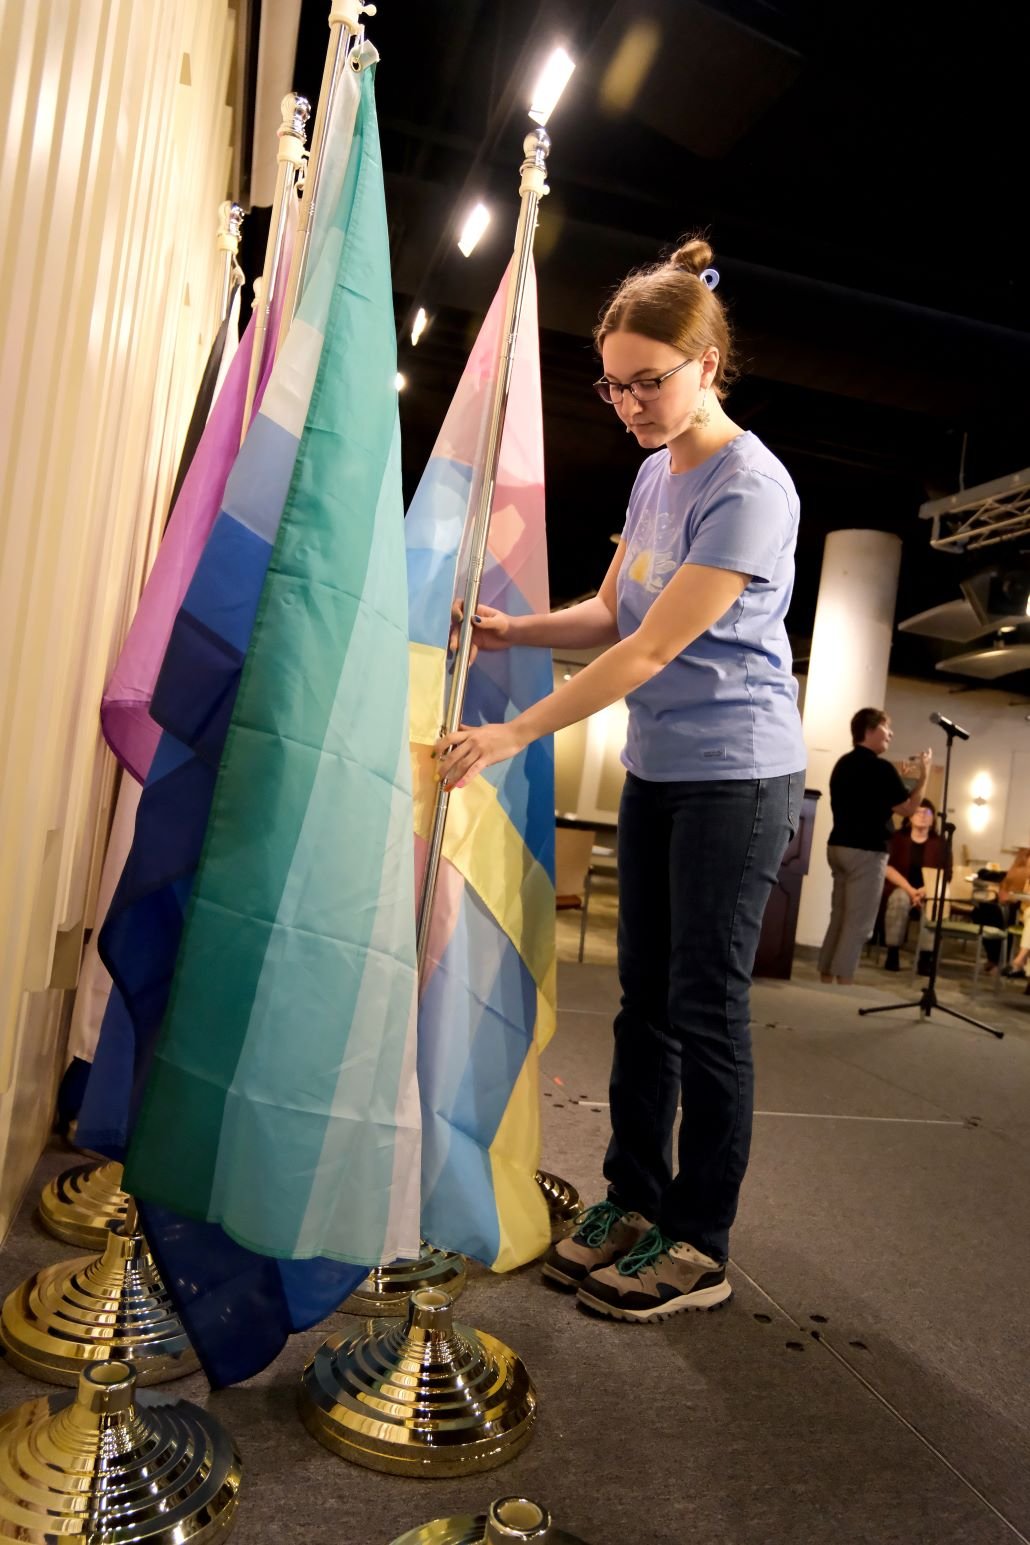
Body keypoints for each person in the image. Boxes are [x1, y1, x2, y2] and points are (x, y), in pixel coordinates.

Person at [435, 236, 806, 1323]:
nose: (630, 403)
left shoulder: (751, 488)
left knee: (703, 1007)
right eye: (614, 382)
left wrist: (513, 739)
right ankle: (632, 1203)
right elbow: (611, 614)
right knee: (643, 1003)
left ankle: (700, 1243)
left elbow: (649, 654)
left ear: (708, 364)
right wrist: (514, 628)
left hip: (737, 778)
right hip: (659, 767)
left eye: (651, 381)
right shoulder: (653, 476)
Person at [817, 709, 931, 985]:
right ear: (869, 730)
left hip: (838, 846)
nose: (890, 733)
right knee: (858, 923)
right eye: (885, 727)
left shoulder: (843, 763)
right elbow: (908, 808)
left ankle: (825, 978)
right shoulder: (880, 768)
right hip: (866, 850)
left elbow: (874, 799)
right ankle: (843, 986)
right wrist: (924, 775)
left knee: (840, 916)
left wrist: (902, 783)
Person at [881, 798, 948, 971]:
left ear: (933, 819)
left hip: (928, 890)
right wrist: (911, 891)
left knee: (932, 904)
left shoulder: (940, 843)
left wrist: (925, 890)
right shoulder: (897, 837)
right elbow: (887, 867)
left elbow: (946, 873)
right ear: (909, 816)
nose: (922, 816)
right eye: (918, 812)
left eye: (927, 813)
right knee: (899, 900)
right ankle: (892, 953)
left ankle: (925, 957)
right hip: (900, 887)